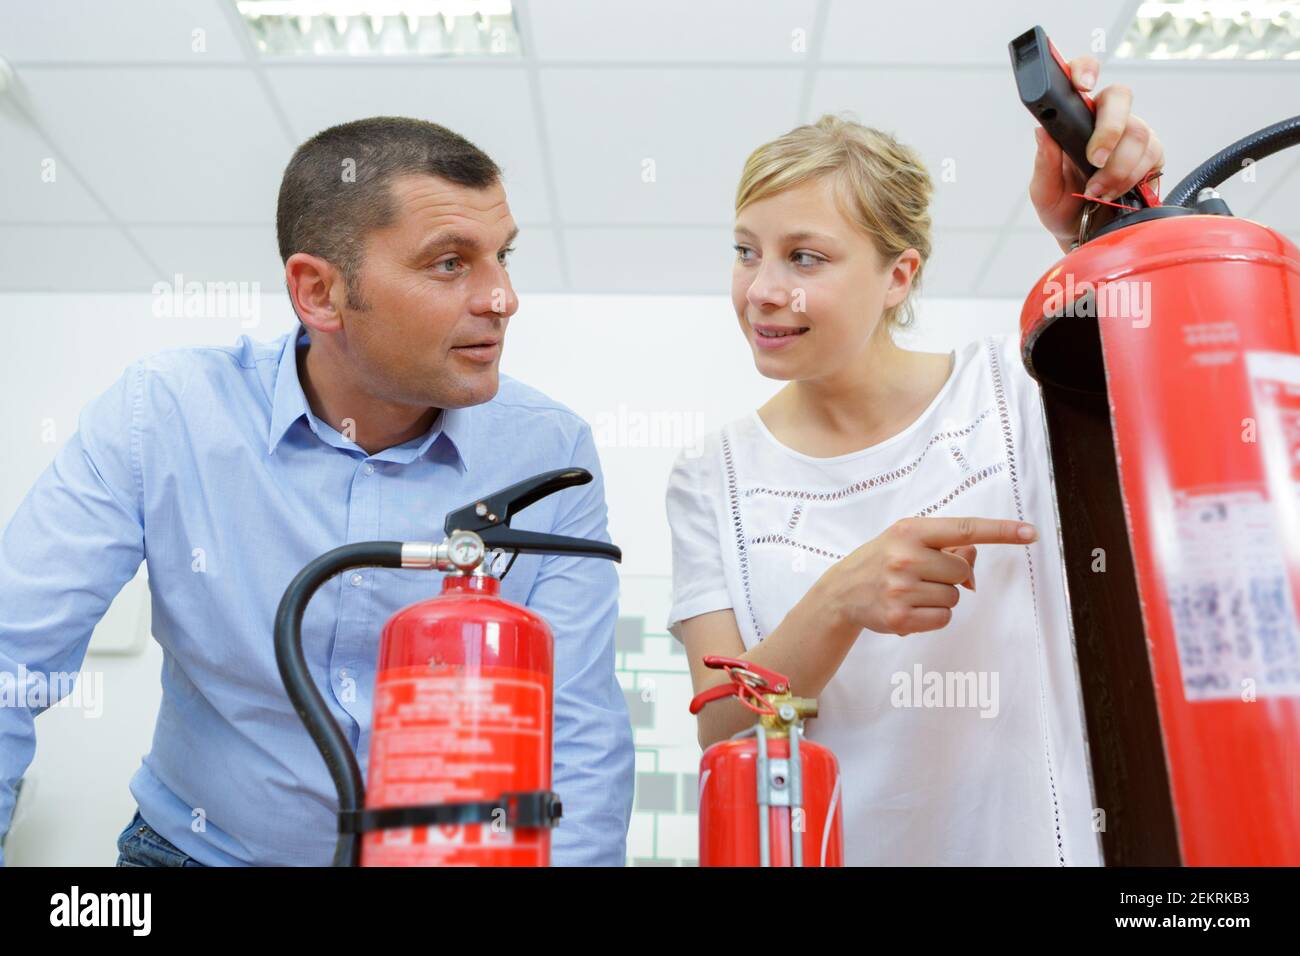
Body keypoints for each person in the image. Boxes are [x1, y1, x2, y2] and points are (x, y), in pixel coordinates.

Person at [0, 117, 634, 867]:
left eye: (503, 258)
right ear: (320, 292)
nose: (502, 299)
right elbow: (14, 655)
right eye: (450, 264)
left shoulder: (549, 451)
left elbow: (578, 734)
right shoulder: (164, 414)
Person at [665, 57, 1163, 865]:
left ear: (899, 276)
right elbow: (723, 731)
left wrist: (1094, 234)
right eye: (746, 250)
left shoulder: (1019, 392)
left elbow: (1180, 377)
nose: (760, 289)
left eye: (805, 257)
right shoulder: (708, 475)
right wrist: (838, 601)